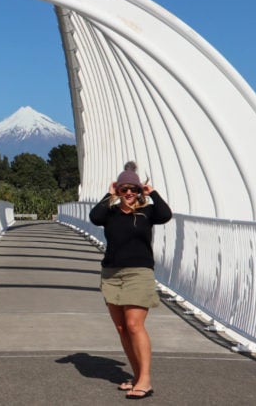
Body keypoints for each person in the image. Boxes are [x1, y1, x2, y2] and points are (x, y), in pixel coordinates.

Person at [89, 161, 172, 400]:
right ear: (118, 190)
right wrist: (109, 193)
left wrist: (151, 192)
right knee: (122, 328)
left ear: (138, 191)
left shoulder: (147, 213)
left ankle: (145, 380)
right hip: (112, 273)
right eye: (124, 189)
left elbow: (165, 214)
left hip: (139, 272)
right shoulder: (111, 213)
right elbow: (95, 217)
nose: (128, 194)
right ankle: (136, 376)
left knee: (135, 325)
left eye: (133, 190)